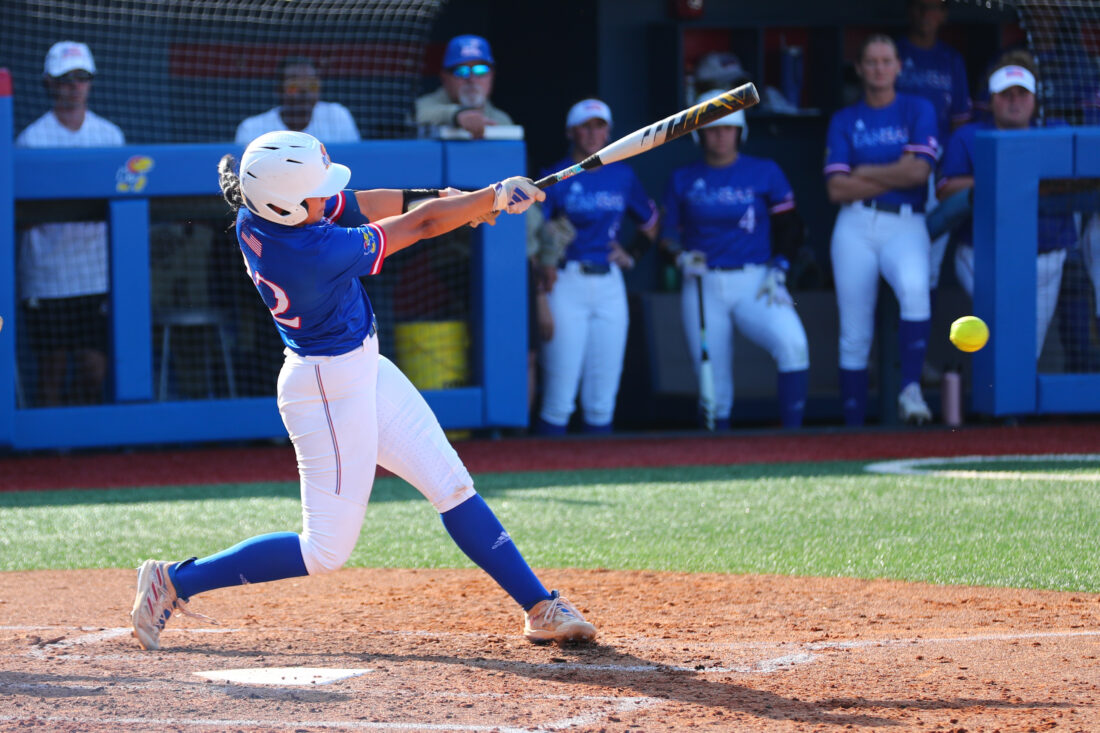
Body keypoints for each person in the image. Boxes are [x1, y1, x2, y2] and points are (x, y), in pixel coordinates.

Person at [129, 130, 596, 650]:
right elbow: (415, 226)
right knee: (324, 550)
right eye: (313, 193)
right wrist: (482, 201)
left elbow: (362, 202)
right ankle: (172, 581)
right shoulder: (310, 251)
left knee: (451, 484)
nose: (323, 198)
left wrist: (453, 199)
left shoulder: (262, 212)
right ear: (286, 204)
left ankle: (539, 606)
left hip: (361, 369)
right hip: (326, 391)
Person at [661, 91, 809, 430]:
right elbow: (667, 234)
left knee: (793, 344)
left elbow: (791, 227)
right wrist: (679, 256)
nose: (720, 135)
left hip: (757, 281)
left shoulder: (765, 171)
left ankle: (796, 442)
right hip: (703, 284)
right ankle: (719, 457)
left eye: (728, 128)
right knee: (715, 386)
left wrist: (781, 267)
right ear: (698, 132)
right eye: (712, 128)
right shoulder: (682, 178)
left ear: (740, 132)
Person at [824, 34, 939, 426]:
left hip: (906, 221)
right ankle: (854, 426)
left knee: (914, 289)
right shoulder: (844, 119)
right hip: (855, 224)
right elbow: (837, 188)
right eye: (870, 61)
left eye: (886, 60)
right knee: (854, 329)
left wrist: (868, 172)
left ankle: (910, 389)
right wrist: (897, 172)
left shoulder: (917, 108)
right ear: (859, 68)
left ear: (898, 66)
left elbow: (920, 172)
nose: (878, 68)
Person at [937, 53, 1077, 359]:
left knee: (1028, 351)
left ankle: (1008, 407)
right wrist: (1005, 179)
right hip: (984, 256)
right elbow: (946, 190)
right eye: (1005, 95)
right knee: (1006, 333)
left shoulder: (1057, 132)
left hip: (1046, 257)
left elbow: (1078, 181)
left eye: (1022, 94)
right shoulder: (969, 136)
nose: (1014, 102)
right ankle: (990, 405)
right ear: (991, 100)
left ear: (1035, 99)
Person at [535, 99, 658, 434]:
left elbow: (650, 222)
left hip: (608, 282)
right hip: (565, 280)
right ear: (570, 131)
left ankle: (599, 475)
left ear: (609, 131)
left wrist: (631, 253)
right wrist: (540, 299)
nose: (592, 133)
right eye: (585, 126)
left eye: (599, 125)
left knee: (602, 397)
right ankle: (545, 469)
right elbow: (534, 240)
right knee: (560, 396)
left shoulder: (622, 174)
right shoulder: (554, 175)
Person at [17, 41, 125, 406]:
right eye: (65, 79)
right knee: (52, 368)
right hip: (48, 278)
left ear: (91, 82)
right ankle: (48, 458)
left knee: (94, 369)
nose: (74, 86)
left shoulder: (109, 136)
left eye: (81, 78)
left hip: (96, 275)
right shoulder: (31, 140)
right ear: (48, 82)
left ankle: (81, 457)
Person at [894, 0, 971, 297]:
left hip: (938, 164)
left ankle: (919, 330)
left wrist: (950, 165)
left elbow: (960, 124)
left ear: (944, 14)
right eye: (919, 5)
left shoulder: (951, 60)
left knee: (930, 258)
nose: (926, 14)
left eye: (933, 7)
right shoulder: (894, 54)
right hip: (900, 163)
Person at [234, 56, 360, 145]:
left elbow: (355, 161)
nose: (304, 91)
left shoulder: (338, 116)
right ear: (279, 89)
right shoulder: (252, 129)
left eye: (311, 84)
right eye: (294, 85)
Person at [415, 34, 513, 139]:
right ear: (445, 78)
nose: (472, 79)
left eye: (480, 70)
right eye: (461, 71)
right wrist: (456, 115)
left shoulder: (502, 120)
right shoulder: (423, 108)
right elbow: (414, 115)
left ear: (491, 76)